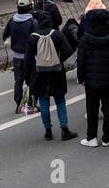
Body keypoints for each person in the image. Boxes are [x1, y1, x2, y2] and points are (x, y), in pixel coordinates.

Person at [23, 9, 76, 141]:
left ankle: (48, 131)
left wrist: (27, 77)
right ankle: (64, 129)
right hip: (57, 73)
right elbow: (68, 50)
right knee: (60, 101)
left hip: (39, 73)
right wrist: (58, 60)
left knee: (44, 102)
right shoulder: (57, 35)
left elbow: (28, 59)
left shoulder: (32, 37)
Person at [76, 0, 109, 148]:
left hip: (90, 79)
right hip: (108, 79)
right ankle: (108, 137)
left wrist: (81, 77)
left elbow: (81, 60)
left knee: (92, 108)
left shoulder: (85, 38)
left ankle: (91, 137)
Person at [3, 0, 38, 114]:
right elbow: (37, 39)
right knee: (31, 81)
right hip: (30, 57)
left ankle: (18, 103)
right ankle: (30, 104)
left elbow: (5, 36)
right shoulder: (33, 22)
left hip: (16, 57)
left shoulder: (12, 21)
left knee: (18, 81)